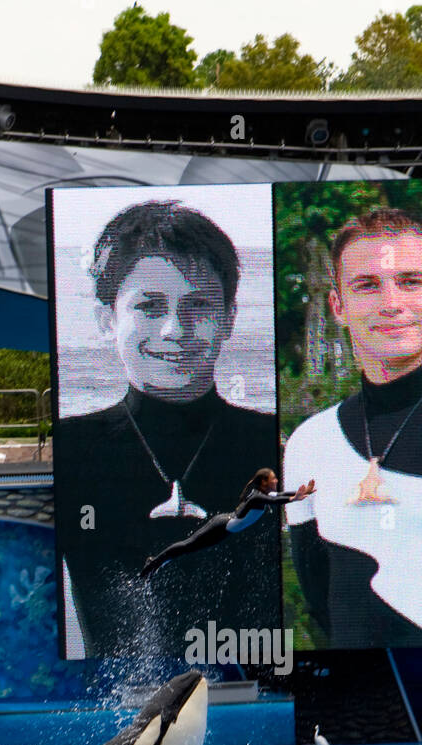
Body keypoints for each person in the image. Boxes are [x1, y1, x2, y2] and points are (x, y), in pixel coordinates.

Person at [53, 199, 280, 657]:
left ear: (230, 319)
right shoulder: (73, 450)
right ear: (105, 320)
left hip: (262, 688)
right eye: (151, 307)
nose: (175, 330)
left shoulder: (277, 443)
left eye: (199, 307)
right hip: (120, 702)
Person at [283, 206, 422, 649]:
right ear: (338, 306)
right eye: (367, 286)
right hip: (361, 701)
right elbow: (324, 601)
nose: (391, 303)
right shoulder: (310, 443)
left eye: (411, 281)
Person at [141, 469, 315, 578]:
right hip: (222, 525)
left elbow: (280, 496)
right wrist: (295, 498)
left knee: (190, 548)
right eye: (272, 479)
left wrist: (301, 493)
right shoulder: (257, 496)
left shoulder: (266, 495)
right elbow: (278, 500)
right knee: (188, 545)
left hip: (225, 530)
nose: (276, 481)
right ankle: (153, 563)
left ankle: (159, 564)